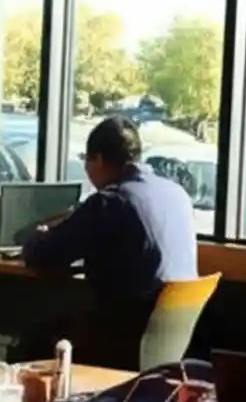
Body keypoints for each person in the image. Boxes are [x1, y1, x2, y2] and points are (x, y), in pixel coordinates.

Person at [20, 117, 198, 366]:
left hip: (121, 338)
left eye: (86, 160)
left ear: (99, 160)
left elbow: (41, 256)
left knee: (35, 340)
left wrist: (38, 232)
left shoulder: (111, 201)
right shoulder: (177, 194)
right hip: (170, 342)